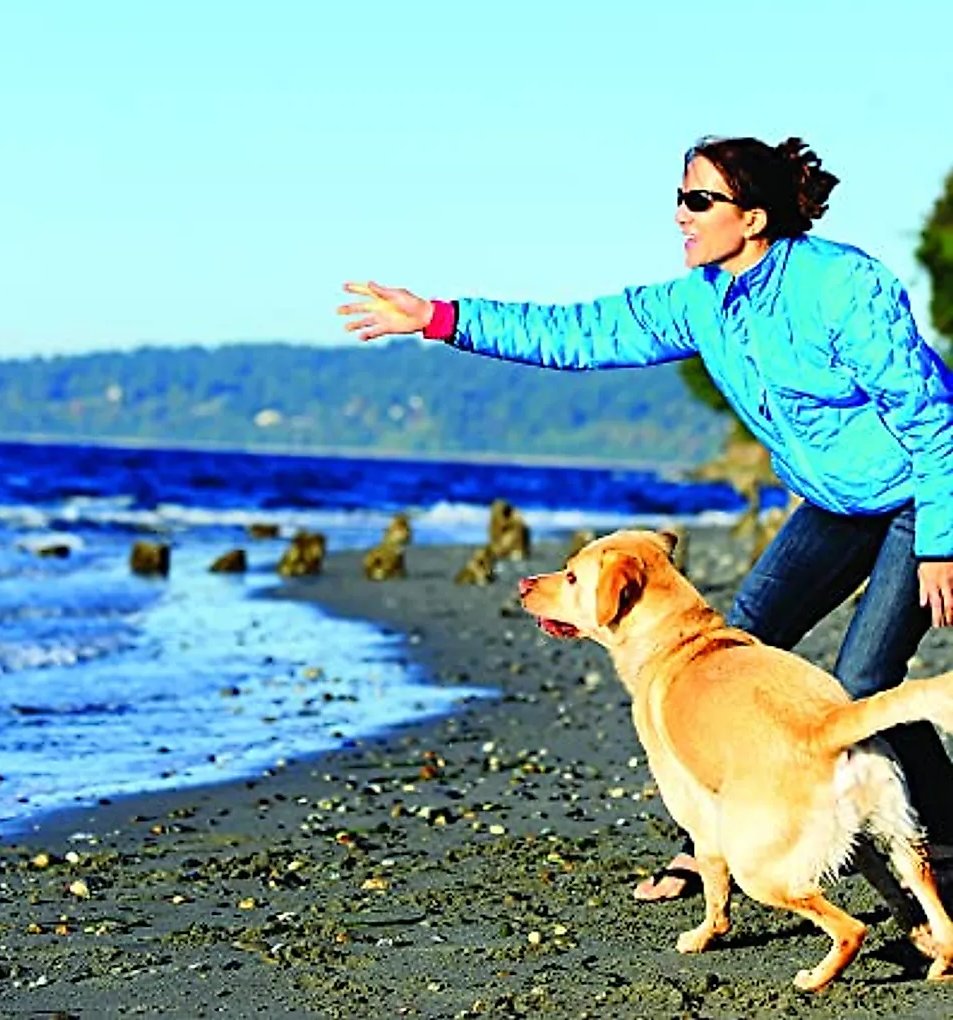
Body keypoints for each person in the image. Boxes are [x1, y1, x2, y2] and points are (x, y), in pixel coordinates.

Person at [338, 134, 953, 907]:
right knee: (731, 646)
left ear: (754, 217)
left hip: (920, 494)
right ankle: (710, 846)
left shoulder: (842, 287)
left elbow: (932, 418)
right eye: (680, 197)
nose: (680, 216)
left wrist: (941, 541)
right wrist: (436, 316)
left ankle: (944, 854)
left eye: (699, 201)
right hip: (836, 503)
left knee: (861, 680)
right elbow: (577, 334)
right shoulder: (701, 298)